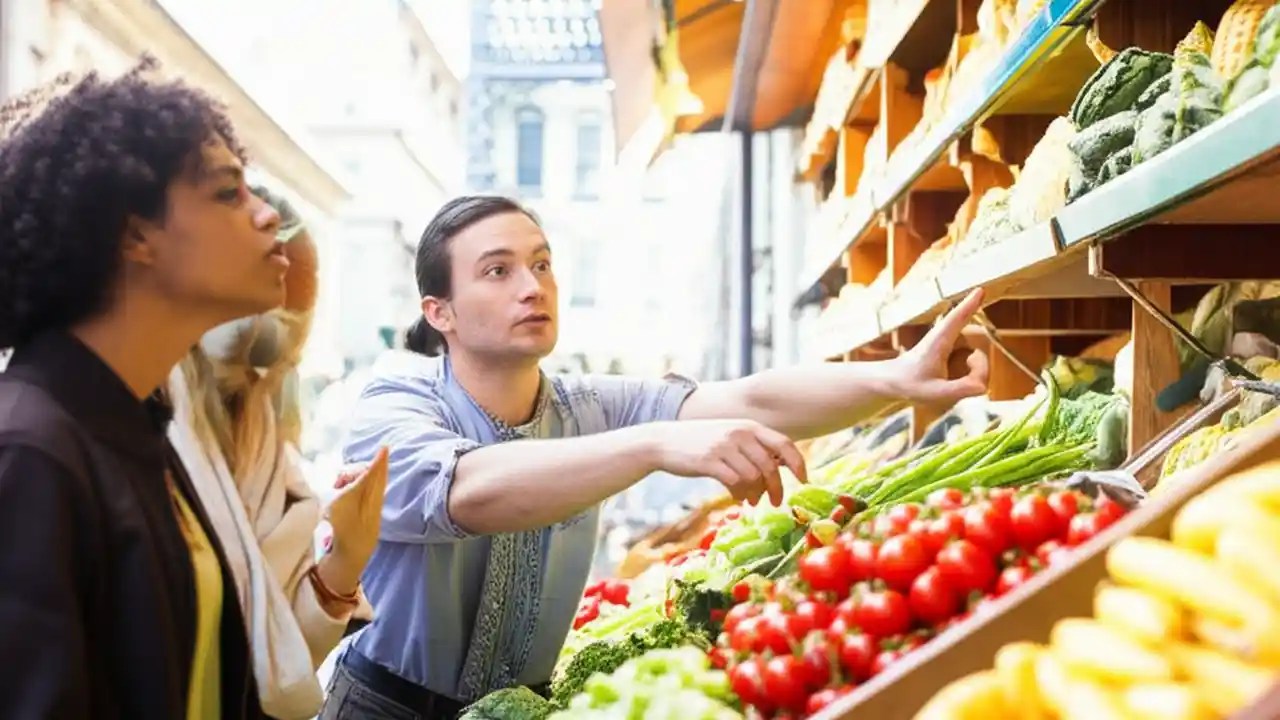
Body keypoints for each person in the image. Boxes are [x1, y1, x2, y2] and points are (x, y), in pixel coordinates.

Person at [320, 195, 989, 719]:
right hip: (384, 707)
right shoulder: (394, 405)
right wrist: (654, 444)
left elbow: (751, 398)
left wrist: (895, 380)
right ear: (440, 313)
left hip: (527, 709)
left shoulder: (584, 405)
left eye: (543, 263)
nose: (533, 286)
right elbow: (465, 491)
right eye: (499, 271)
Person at [0, 59, 282, 719]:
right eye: (228, 193)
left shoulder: (136, 426)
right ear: (134, 234)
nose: (269, 217)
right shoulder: (30, 451)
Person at [166, 183, 386, 719]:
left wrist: (348, 556)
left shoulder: (269, 442)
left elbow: (284, 662)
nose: (272, 352)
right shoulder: (137, 427)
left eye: (297, 321)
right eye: (271, 314)